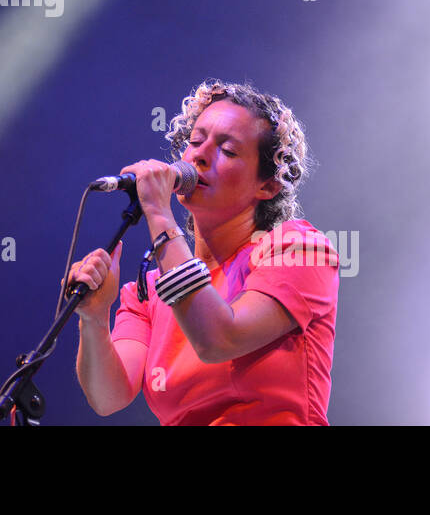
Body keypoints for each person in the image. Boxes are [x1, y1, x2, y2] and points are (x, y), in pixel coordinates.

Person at [67, 79, 338, 424]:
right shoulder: (149, 290)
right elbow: (108, 397)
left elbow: (219, 339)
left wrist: (160, 215)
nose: (200, 155)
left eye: (227, 150)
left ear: (267, 186)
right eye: (195, 141)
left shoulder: (298, 249)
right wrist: (93, 318)